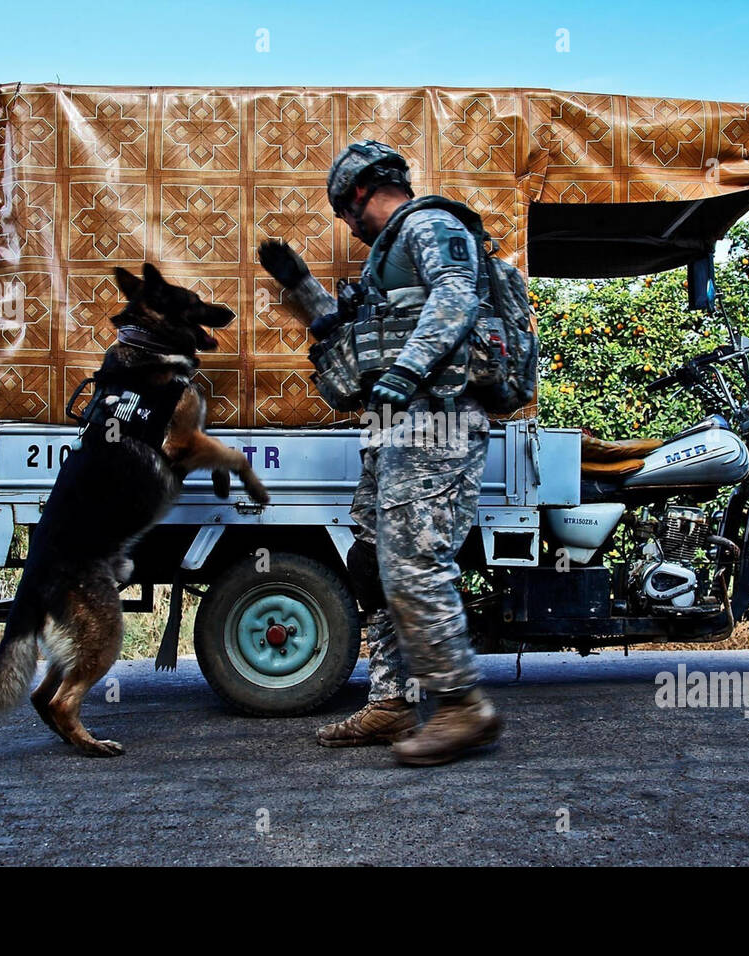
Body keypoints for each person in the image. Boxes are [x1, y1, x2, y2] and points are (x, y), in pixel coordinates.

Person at [257, 140, 502, 765]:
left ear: (360, 192)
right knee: (375, 566)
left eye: (344, 213)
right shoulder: (383, 263)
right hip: (394, 428)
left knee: (414, 564)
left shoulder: (428, 224)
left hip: (435, 423)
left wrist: (411, 368)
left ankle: (461, 706)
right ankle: (392, 704)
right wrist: (302, 287)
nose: (349, 227)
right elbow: (350, 338)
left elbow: (458, 294)